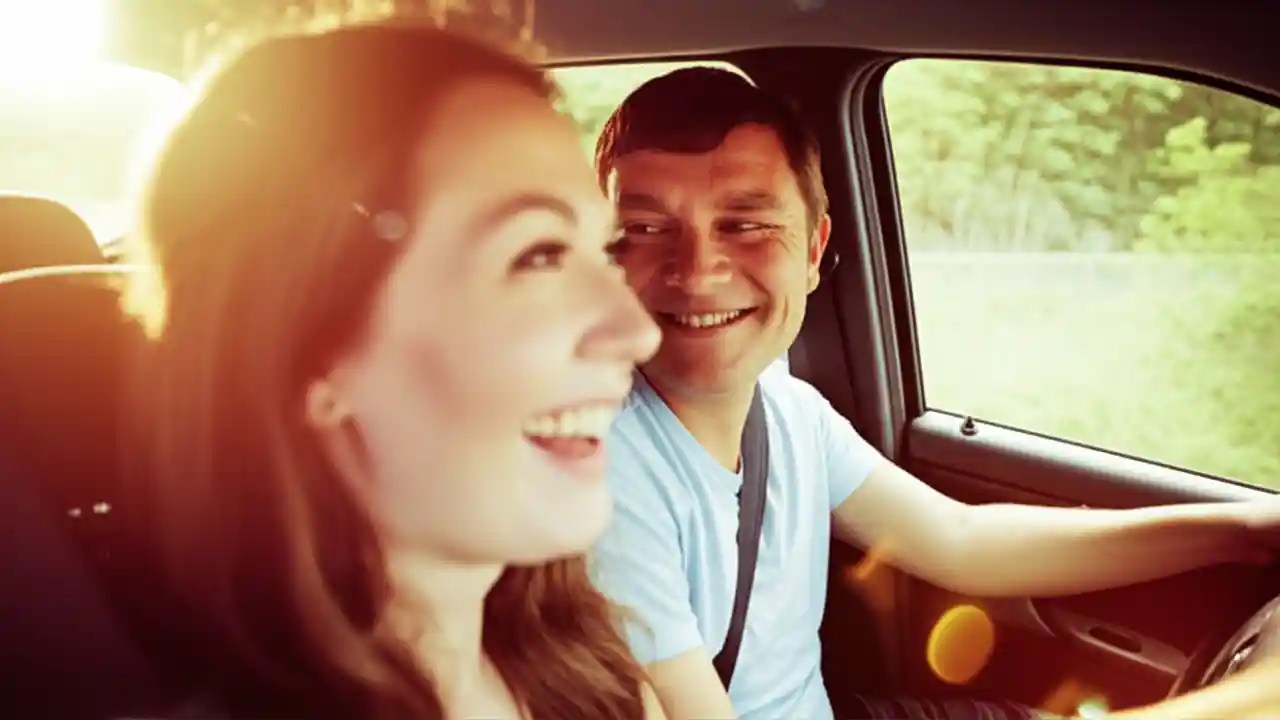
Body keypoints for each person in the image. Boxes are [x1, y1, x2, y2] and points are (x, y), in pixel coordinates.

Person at [588, 66, 1280, 720]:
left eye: (746, 224)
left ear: (812, 251)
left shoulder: (783, 406)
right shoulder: (602, 478)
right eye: (645, 230)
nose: (697, 270)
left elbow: (959, 539)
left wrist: (1242, 533)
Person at [120, 23, 665, 720]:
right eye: (539, 256)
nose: (638, 331)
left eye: (607, 249)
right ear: (310, 349)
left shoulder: (593, 671)